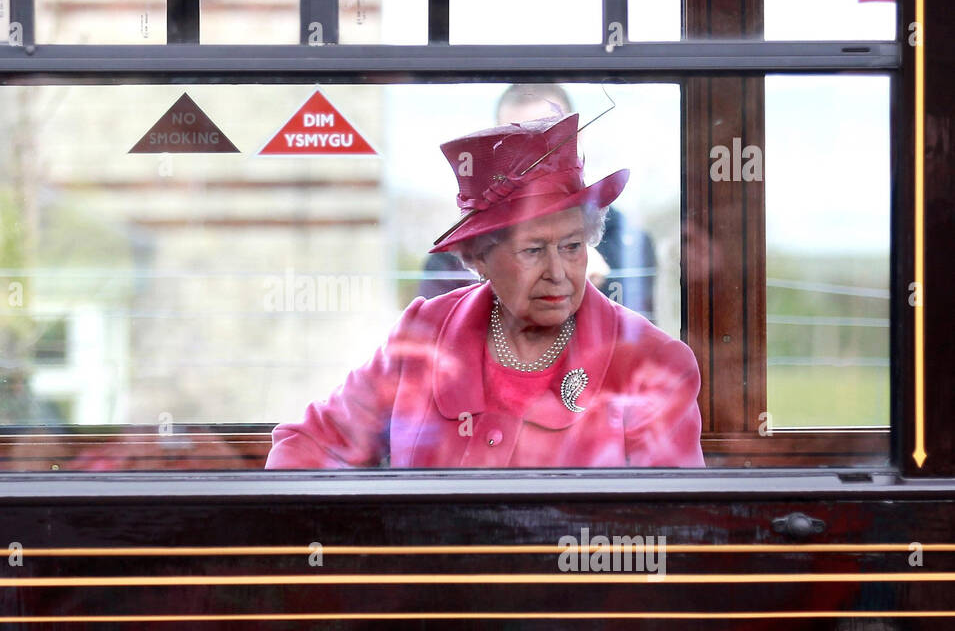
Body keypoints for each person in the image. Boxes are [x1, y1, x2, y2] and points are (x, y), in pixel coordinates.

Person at [267, 113, 703, 468]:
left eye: (572, 246)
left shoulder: (653, 364)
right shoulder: (425, 331)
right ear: (478, 257)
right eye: (533, 250)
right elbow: (311, 445)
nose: (559, 272)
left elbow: (670, 528)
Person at [419, 84, 658, 317]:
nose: (533, 160)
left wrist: (600, 282)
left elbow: (637, 335)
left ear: (576, 137)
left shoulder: (628, 243)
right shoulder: (454, 257)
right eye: (515, 142)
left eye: (548, 139)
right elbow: (439, 335)